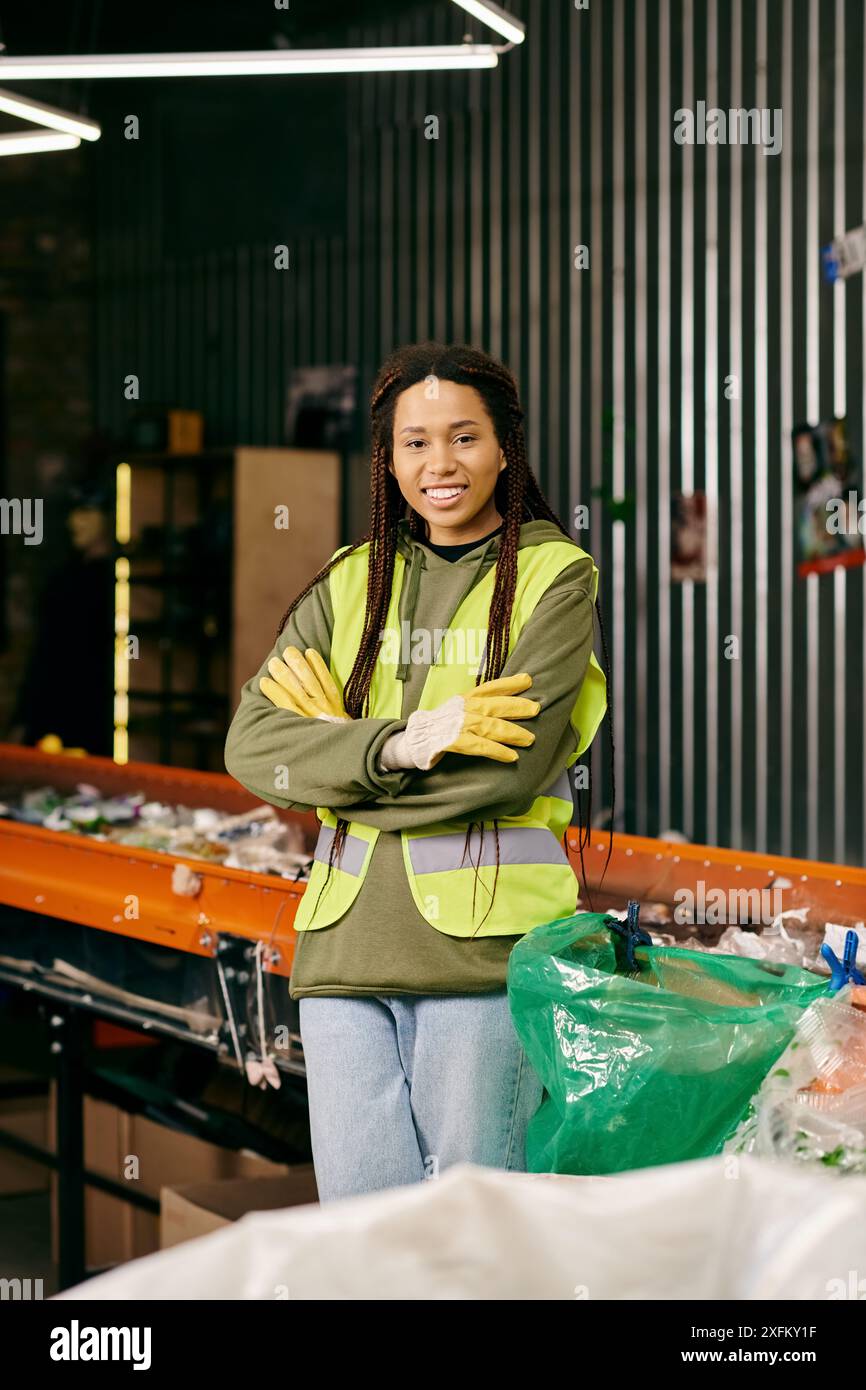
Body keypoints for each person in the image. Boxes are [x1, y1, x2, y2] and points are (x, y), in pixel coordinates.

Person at [224, 342, 610, 1201]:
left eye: (463, 437)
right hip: (340, 957)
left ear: (504, 447)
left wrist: (339, 767)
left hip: (477, 960)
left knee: (468, 1233)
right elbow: (252, 745)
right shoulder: (349, 581)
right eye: (414, 442)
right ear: (389, 458)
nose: (439, 463)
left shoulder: (555, 578)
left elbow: (503, 780)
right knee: (363, 1234)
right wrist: (402, 743)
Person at [7, 484, 114, 755]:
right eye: (73, 512)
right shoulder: (66, 579)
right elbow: (47, 651)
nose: (74, 522)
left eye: (86, 511)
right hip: (59, 710)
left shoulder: (121, 582)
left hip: (100, 712)